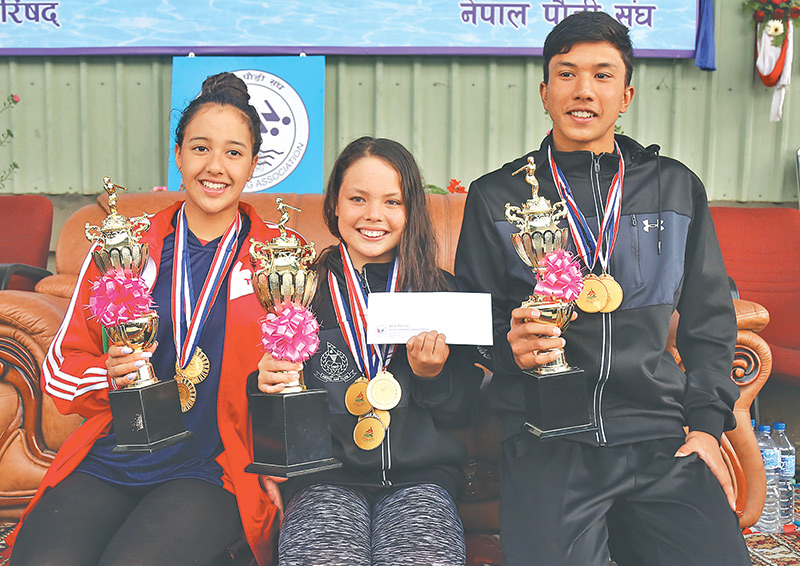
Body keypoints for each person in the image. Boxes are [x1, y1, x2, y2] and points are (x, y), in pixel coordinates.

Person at [454, 11, 751, 566]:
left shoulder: (675, 189)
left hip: (657, 435)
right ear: (544, 92)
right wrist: (507, 347)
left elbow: (712, 320)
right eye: (566, 75)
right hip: (546, 438)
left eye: (602, 75)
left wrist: (708, 429)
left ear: (627, 93)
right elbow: (476, 322)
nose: (583, 90)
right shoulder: (497, 197)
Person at [9, 72, 285, 566]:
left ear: (253, 166)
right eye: (200, 148)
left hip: (210, 467)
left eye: (234, 152)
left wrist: (279, 453)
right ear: (178, 155)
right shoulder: (125, 247)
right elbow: (62, 365)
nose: (215, 166)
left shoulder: (280, 262)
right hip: (116, 455)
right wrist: (107, 375)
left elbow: (296, 382)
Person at [257, 136, 483, 566]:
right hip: (322, 480)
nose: (373, 215)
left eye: (392, 202)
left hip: (421, 481)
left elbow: (465, 412)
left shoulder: (443, 293)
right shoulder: (297, 291)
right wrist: (266, 384)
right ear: (335, 206)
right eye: (357, 198)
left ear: (410, 210)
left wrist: (432, 377)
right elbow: (269, 405)